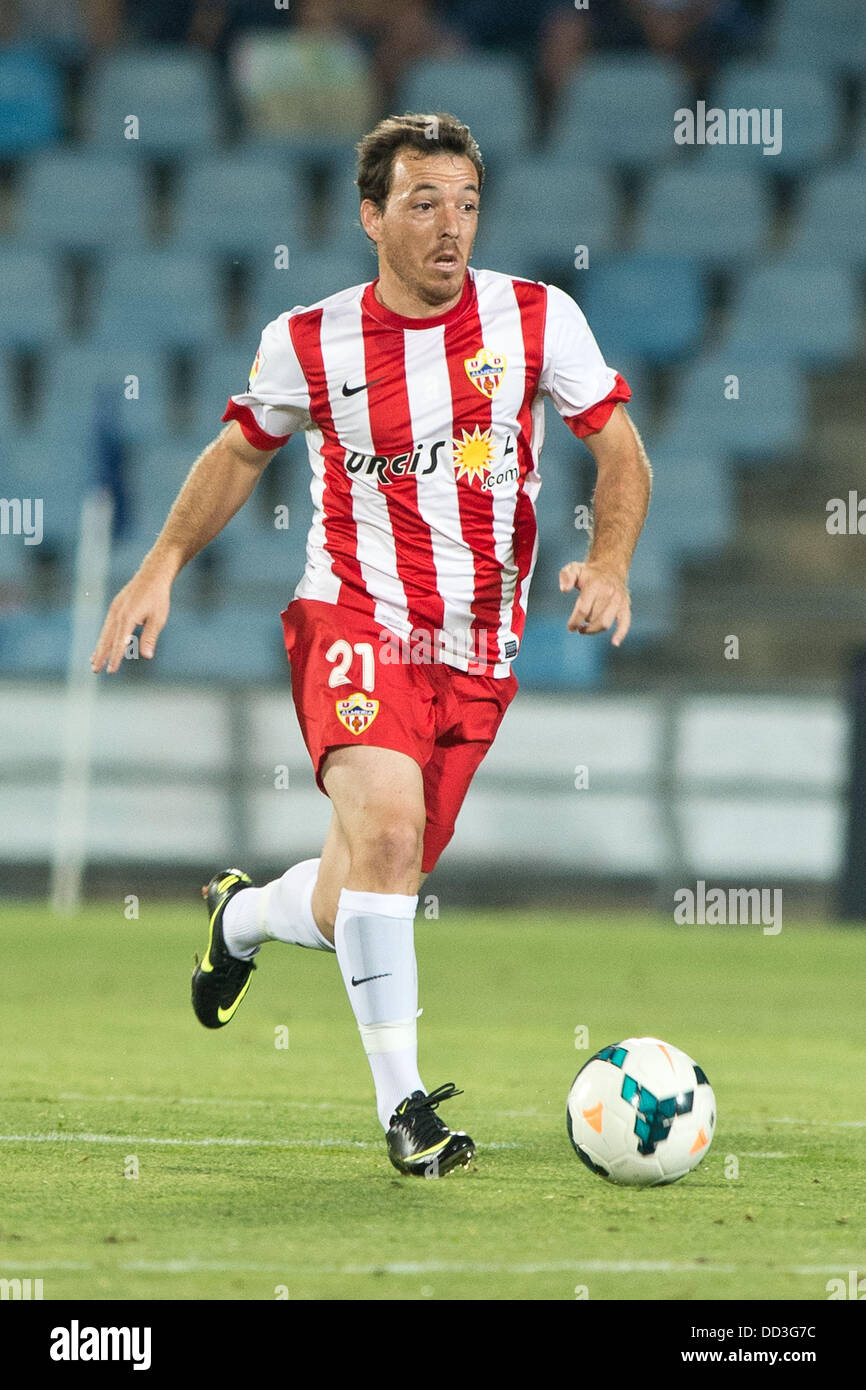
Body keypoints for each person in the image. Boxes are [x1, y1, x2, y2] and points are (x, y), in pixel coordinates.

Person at [91, 111, 652, 1178]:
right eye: (423, 204)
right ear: (371, 216)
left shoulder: (537, 320)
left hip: (478, 653)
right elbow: (237, 454)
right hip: (352, 621)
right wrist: (161, 562)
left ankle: (241, 919)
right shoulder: (309, 342)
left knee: (364, 891)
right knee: (388, 831)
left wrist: (611, 559)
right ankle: (406, 1110)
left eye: (467, 205)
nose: (451, 229)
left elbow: (620, 452)